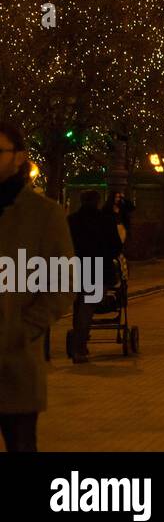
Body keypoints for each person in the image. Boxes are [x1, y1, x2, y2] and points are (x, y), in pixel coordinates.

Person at [0, 122, 75, 451]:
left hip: (15, 364)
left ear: (19, 157)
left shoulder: (44, 214)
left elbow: (62, 281)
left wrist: (23, 329)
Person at [66, 190, 123, 362]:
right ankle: (80, 347)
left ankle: (79, 341)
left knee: (80, 306)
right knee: (87, 306)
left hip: (76, 268)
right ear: (98, 201)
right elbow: (116, 246)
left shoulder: (72, 221)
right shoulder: (105, 220)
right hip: (98, 269)